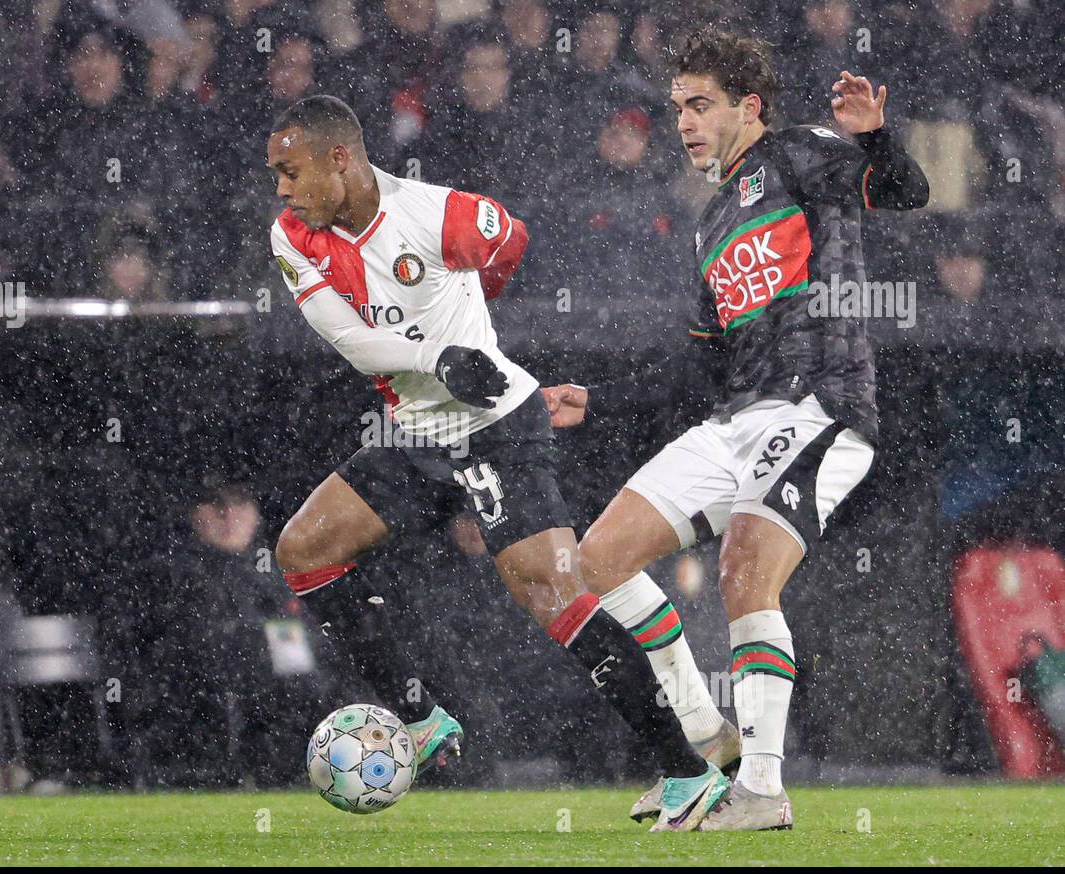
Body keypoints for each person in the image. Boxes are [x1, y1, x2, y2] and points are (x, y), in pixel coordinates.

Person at [266, 94, 724, 818]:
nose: (283, 189)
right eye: (276, 176)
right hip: (415, 429)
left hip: (495, 423)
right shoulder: (292, 235)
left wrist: (481, 329)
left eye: (291, 172)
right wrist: (439, 355)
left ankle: (687, 771)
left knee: (552, 596)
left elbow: (510, 237)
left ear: (339, 159)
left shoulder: (432, 212)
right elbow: (349, 340)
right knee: (304, 550)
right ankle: (420, 717)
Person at [563, 27, 930, 830]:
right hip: (737, 418)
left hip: (820, 406)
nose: (686, 122)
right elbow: (698, 370)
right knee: (596, 559)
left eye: (701, 105)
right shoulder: (710, 224)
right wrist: (596, 400)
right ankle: (704, 740)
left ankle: (762, 789)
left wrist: (876, 136)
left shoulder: (802, 154)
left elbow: (904, 190)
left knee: (744, 569)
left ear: (749, 107)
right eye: (678, 108)